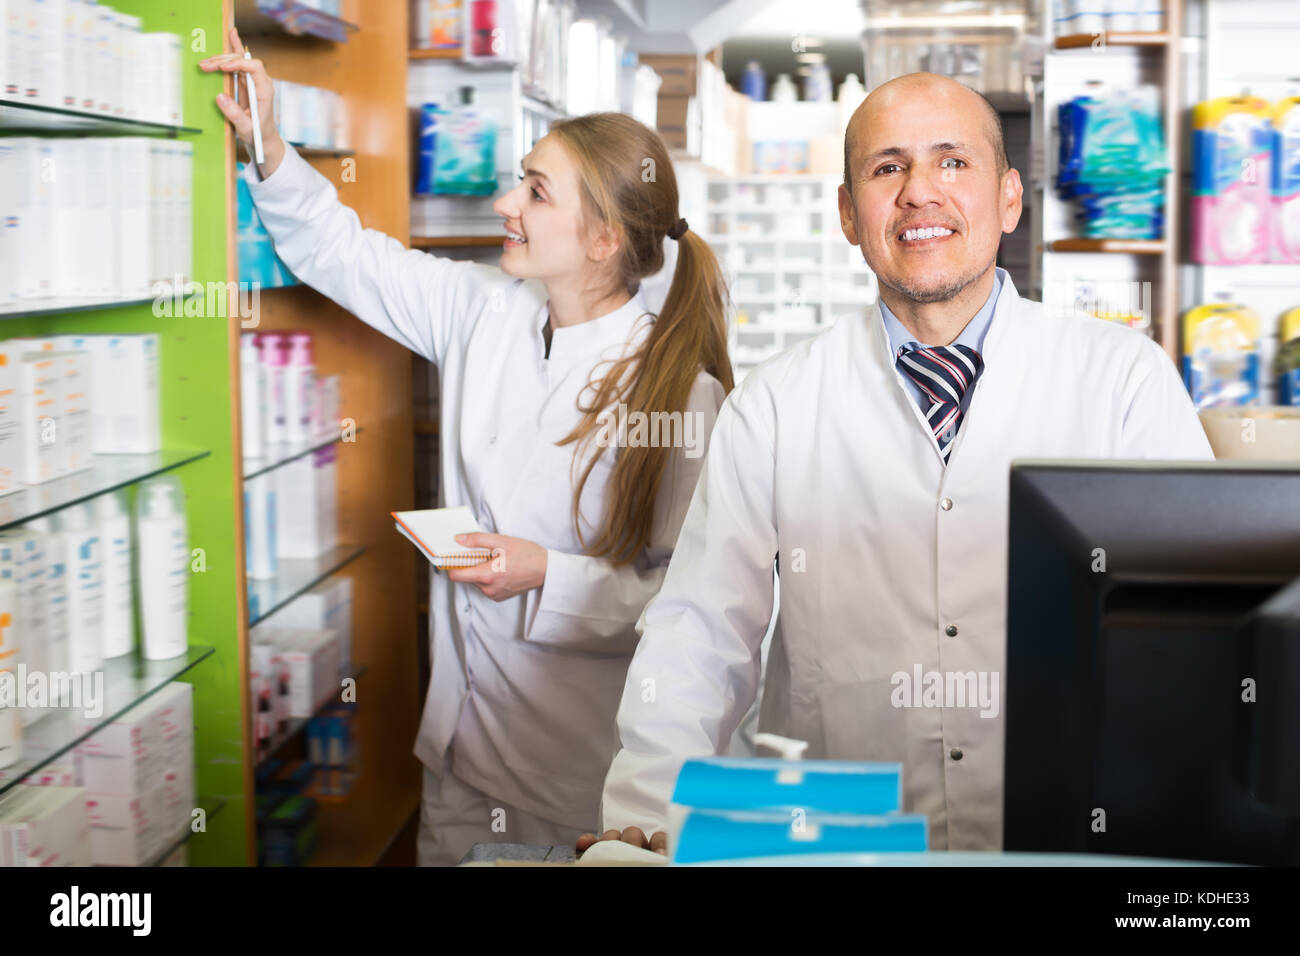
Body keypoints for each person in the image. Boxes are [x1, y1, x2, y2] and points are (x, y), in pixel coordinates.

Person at [580, 72, 1214, 857]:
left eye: (952, 163)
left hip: (1065, 834)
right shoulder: (775, 405)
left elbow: (1193, 633)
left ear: (1009, 199)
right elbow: (701, 631)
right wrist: (643, 817)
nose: (920, 193)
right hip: (837, 837)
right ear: (849, 214)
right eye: (887, 169)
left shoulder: (1122, 380)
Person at [200, 29, 731, 866]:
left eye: (536, 191)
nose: (504, 204)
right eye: (520, 178)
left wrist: (545, 573)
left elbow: (695, 607)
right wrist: (268, 141)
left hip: (580, 777)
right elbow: (342, 255)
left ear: (602, 240)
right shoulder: (482, 310)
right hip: (459, 749)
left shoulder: (679, 399)